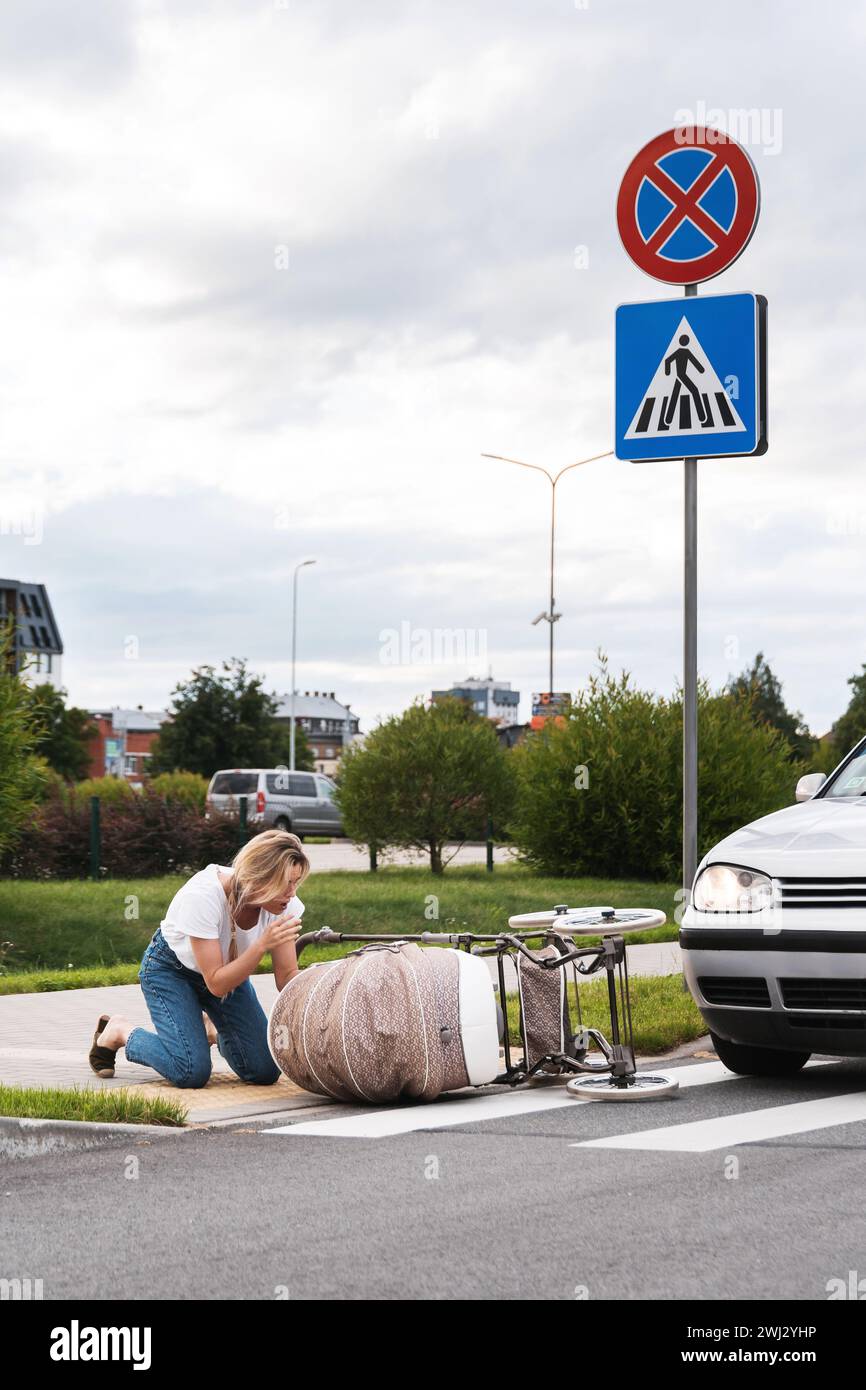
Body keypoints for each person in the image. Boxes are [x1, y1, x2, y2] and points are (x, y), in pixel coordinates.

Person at [88, 830, 310, 1089]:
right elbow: (216, 984)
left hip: (228, 974)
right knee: (190, 1071)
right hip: (171, 971)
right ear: (260, 877)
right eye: (286, 884)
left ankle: (210, 1030)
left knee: (265, 1070)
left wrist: (331, 978)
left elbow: (286, 978)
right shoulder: (203, 896)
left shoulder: (284, 906)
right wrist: (261, 945)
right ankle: (119, 1031)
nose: (292, 894)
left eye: (296, 882)